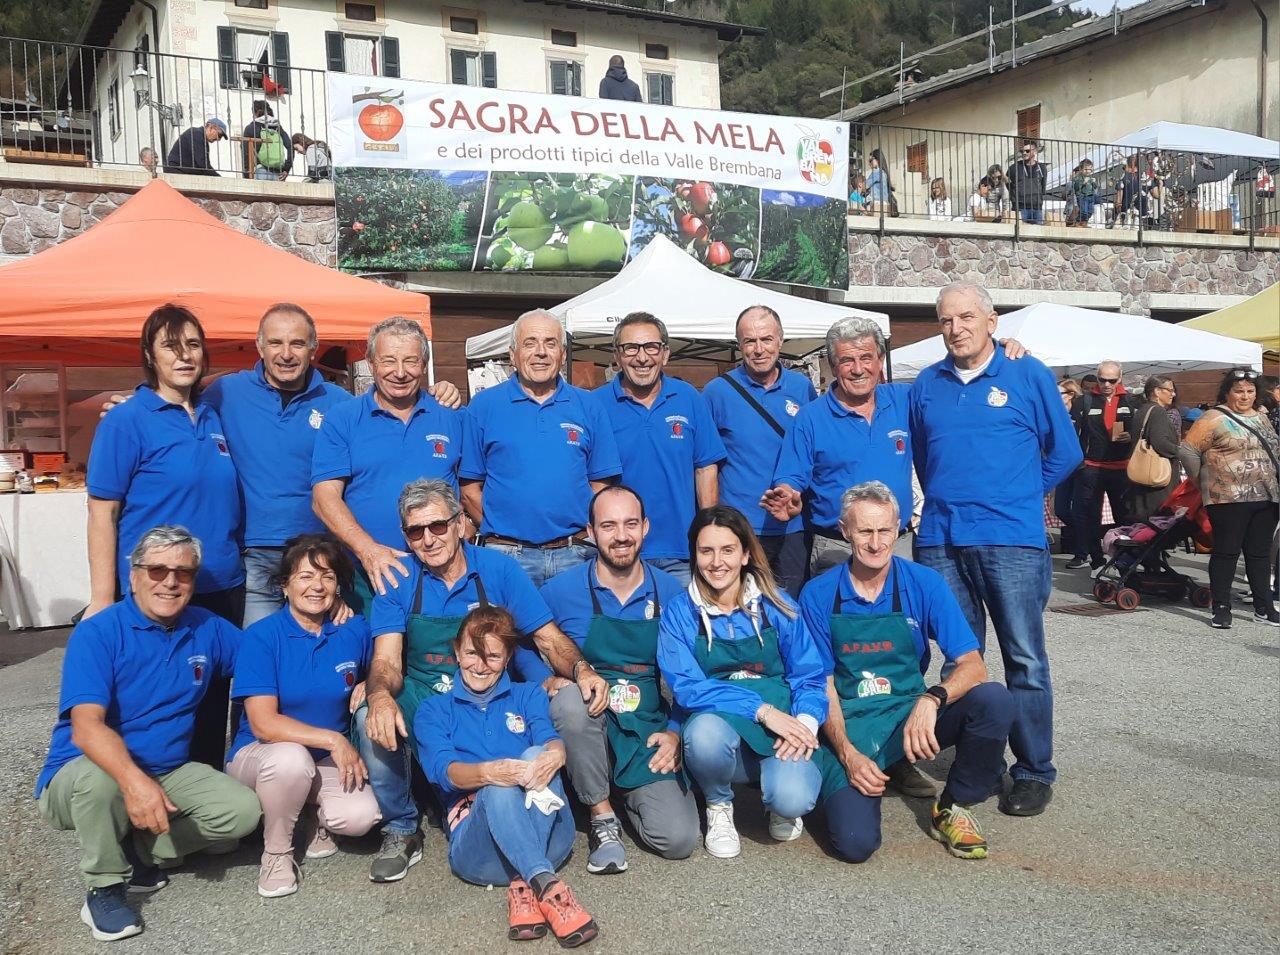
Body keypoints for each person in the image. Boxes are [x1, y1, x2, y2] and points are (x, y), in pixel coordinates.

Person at [355, 479, 607, 883]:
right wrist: (380, 693)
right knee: (372, 712)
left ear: (460, 523)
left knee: (557, 706)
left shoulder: (498, 569)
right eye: (415, 531)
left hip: (492, 694)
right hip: (428, 697)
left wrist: (581, 670)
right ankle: (401, 828)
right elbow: (387, 660)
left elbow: (547, 637)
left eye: (437, 525)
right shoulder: (397, 577)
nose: (428, 539)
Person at [35, 526, 261, 943]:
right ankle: (104, 888)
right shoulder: (99, 632)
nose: (170, 581)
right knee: (104, 780)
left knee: (241, 812)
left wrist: (332, 633)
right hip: (82, 776)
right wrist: (135, 782)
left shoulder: (206, 627)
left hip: (167, 769)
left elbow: (267, 658)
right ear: (134, 575)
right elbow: (86, 728)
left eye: (183, 572)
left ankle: (136, 851)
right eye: (157, 570)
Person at [909, 281, 1082, 818]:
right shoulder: (925, 384)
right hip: (940, 540)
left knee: (1024, 659)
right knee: (960, 659)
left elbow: (1067, 452)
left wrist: (1022, 493)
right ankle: (980, 766)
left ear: (993, 321)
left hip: (1012, 542)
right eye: (945, 319)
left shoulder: (1027, 372)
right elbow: (921, 453)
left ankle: (1033, 770)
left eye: (966, 317)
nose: (956, 328)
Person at [801, 483, 1013, 863]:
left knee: (993, 700)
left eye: (885, 530)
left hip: (908, 711)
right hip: (852, 722)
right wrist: (848, 755)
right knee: (855, 844)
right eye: (865, 531)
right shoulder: (818, 594)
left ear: (899, 527)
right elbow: (823, 685)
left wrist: (933, 699)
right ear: (845, 530)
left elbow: (973, 665)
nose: (876, 543)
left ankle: (953, 806)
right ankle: (835, 785)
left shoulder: (924, 582)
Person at [87, 305, 244, 768]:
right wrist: (100, 596)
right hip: (157, 585)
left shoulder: (215, 414)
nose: (184, 356)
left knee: (213, 699)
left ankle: (208, 796)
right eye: (170, 346)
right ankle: (145, 800)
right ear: (150, 356)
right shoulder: (126, 420)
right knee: (152, 700)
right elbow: (102, 512)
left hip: (219, 585)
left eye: (193, 345)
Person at [538, 485, 698, 873]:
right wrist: (544, 681)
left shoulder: (672, 592)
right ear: (590, 532)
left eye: (630, 524)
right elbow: (528, 651)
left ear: (645, 528)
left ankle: (628, 792)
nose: (621, 535)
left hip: (644, 732)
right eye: (608, 525)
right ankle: (600, 814)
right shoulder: (560, 591)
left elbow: (690, 677)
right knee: (571, 702)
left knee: (678, 839)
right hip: (587, 727)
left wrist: (676, 731)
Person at [417, 606, 598, 948]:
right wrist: (488, 772)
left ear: (508, 656)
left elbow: (547, 735)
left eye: (493, 656)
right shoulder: (434, 709)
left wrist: (557, 752)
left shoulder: (527, 694)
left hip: (550, 840)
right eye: (472, 653)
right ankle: (546, 885)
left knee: (536, 754)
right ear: (457, 651)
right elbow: (445, 771)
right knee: (497, 787)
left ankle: (525, 885)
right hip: (479, 855)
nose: (480, 665)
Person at [657, 506, 827, 859]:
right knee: (703, 734)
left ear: (746, 553)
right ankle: (718, 803)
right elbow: (688, 687)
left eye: (728, 550)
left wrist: (804, 726)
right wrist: (762, 710)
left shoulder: (778, 605)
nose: (716, 562)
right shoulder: (680, 611)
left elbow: (809, 675)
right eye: (706, 551)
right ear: (695, 555)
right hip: (724, 727)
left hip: (782, 729)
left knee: (793, 798)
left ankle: (777, 797)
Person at [226, 535, 380, 898]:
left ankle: (311, 816)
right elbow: (264, 723)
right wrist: (334, 740)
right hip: (262, 754)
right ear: (284, 586)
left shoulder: (352, 629)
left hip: (322, 760)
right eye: (305, 576)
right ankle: (277, 853)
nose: (317, 586)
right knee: (290, 760)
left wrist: (372, 685)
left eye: (327, 578)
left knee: (361, 817)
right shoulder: (262, 637)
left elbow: (381, 668)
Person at [312, 316, 466, 614]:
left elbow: (472, 485)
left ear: (424, 365)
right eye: (388, 361)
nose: (399, 372)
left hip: (441, 575)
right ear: (371, 363)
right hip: (367, 575)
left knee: (438, 658)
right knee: (377, 659)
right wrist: (368, 550)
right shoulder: (343, 419)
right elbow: (323, 499)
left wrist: (466, 528)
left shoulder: (452, 415)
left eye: (410, 361)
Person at [461, 309, 621, 588]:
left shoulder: (588, 406)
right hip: (507, 555)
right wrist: (505, 529)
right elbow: (470, 488)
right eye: (530, 343)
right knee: (506, 633)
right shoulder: (483, 407)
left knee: (574, 632)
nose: (541, 352)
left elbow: (601, 483)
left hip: (575, 554)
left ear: (562, 353)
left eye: (550, 343)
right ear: (512, 355)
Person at [763, 317, 912, 578]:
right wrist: (786, 495)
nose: (858, 369)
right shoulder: (810, 418)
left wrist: (1001, 351)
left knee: (903, 619)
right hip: (837, 549)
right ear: (833, 366)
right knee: (839, 619)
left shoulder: (904, 400)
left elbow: (950, 380)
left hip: (897, 545)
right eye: (847, 361)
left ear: (880, 361)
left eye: (866, 358)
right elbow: (791, 476)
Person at [593, 312, 725, 583]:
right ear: (617, 356)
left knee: (683, 625)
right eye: (631, 348)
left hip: (681, 551)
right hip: (620, 552)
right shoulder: (595, 405)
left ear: (665, 353)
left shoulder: (689, 398)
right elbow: (592, 480)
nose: (642, 358)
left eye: (651, 347)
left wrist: (708, 533)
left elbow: (706, 470)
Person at [703, 305, 818, 596]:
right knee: (744, 609)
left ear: (780, 341)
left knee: (790, 609)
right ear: (739, 345)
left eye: (766, 339)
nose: (758, 349)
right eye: (749, 341)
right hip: (741, 528)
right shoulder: (717, 392)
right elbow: (706, 464)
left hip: (793, 528)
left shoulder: (801, 388)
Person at [1178, 368, 1279, 628]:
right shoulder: (1214, 418)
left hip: (1266, 496)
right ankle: (1221, 607)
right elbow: (1188, 450)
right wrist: (1202, 480)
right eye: (1239, 391)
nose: (1245, 396)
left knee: (1258, 554)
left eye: (1250, 391)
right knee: (1226, 552)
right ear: (1227, 392)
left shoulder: (1262, 418)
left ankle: (1264, 607)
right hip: (1227, 497)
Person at [1067, 361, 1137, 570]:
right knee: (1090, 517)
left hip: (1121, 468)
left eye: (1112, 380)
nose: (1106, 384)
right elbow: (1072, 435)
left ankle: (1123, 560)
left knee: (1124, 516)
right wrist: (1079, 465)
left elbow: (1141, 432)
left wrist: (1130, 437)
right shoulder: (1085, 401)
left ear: (1120, 378)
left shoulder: (1131, 401)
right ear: (1097, 378)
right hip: (1091, 467)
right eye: (1102, 379)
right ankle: (1096, 561)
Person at [1129, 376, 1182, 522]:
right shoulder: (1158, 411)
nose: (1173, 394)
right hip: (1157, 477)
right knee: (1158, 520)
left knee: (1144, 520)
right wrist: (1181, 451)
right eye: (1170, 390)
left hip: (1142, 474)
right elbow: (1160, 443)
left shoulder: (1143, 410)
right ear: (1157, 391)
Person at [1055, 379, 1084, 558]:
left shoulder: (1080, 413)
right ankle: (1082, 538)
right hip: (1063, 468)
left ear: (1071, 395)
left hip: (1081, 467)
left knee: (1079, 511)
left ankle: (1081, 550)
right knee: (1061, 510)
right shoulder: (1057, 413)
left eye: (1059, 394)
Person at [241, 100, 292, 181]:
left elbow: (246, 152)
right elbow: (290, 146)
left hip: (261, 170)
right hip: (279, 173)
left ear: (255, 113)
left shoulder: (251, 128)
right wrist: (286, 169)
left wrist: (247, 175)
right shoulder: (277, 127)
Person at [1006, 140, 1046, 225]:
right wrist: (1014, 197)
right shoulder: (1014, 167)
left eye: (1027, 151)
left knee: (1038, 234)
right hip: (1020, 207)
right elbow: (1008, 182)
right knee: (1020, 233)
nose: (1024, 153)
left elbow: (1043, 186)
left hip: (1037, 207)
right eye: (1022, 151)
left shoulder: (1042, 167)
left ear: (1035, 151)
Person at [1114, 155, 1147, 227]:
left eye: (1135, 157)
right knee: (1126, 227)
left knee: (1136, 227)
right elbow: (1120, 189)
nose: (1133, 158)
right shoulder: (1123, 174)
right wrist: (1118, 204)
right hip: (1126, 208)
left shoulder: (1142, 174)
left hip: (1138, 208)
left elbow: (1150, 192)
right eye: (1132, 157)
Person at [1070, 159, 1097, 227]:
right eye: (1085, 169)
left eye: (1089, 169)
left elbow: (1095, 187)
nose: (1088, 171)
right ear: (1081, 169)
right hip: (1082, 196)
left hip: (1090, 196)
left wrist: (1094, 183)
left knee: (1090, 212)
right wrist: (1083, 182)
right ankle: (1078, 221)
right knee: (1083, 211)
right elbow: (1076, 187)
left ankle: (1084, 222)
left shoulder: (1090, 177)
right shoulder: (1078, 177)